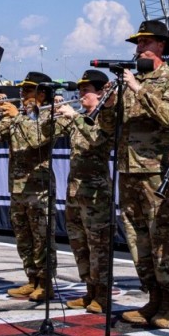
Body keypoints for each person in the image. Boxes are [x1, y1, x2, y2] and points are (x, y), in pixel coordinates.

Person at [116, 20, 169, 329]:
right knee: (136, 238)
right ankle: (152, 296)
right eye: (137, 43)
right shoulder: (132, 81)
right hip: (128, 170)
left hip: (157, 172)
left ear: (160, 46)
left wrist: (138, 89)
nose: (139, 48)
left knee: (162, 239)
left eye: (145, 42)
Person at [0, 71, 57, 302]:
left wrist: (16, 116)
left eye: (27, 90)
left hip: (39, 187)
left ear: (41, 93)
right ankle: (31, 278)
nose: (22, 94)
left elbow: (36, 139)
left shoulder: (47, 115)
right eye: (22, 90)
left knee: (42, 238)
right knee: (23, 236)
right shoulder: (21, 116)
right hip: (17, 187)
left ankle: (46, 283)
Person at [55, 69, 116, 313]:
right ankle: (89, 290)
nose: (81, 94)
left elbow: (97, 141)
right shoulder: (79, 117)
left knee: (98, 245)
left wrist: (75, 118)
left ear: (100, 93)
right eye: (80, 90)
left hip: (96, 193)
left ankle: (102, 294)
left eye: (86, 90)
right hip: (75, 190)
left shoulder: (106, 119)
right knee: (79, 244)